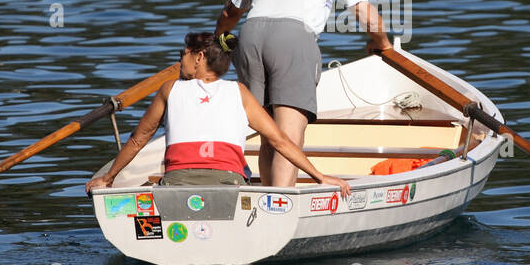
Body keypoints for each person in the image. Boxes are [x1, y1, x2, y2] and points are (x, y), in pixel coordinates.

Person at [214, 0, 392, 187]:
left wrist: (220, 38)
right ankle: (280, 205)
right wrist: (381, 43)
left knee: (269, 135)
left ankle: (268, 196)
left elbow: (231, 12)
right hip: (293, 38)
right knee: (288, 136)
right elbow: (364, 13)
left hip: (250, 35)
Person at [84, 32, 350, 196]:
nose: (180, 62)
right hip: (228, 183)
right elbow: (279, 141)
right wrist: (319, 177)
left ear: (199, 57)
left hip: (177, 183)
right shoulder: (240, 91)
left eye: (183, 55)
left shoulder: (169, 89)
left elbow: (137, 140)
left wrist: (108, 179)